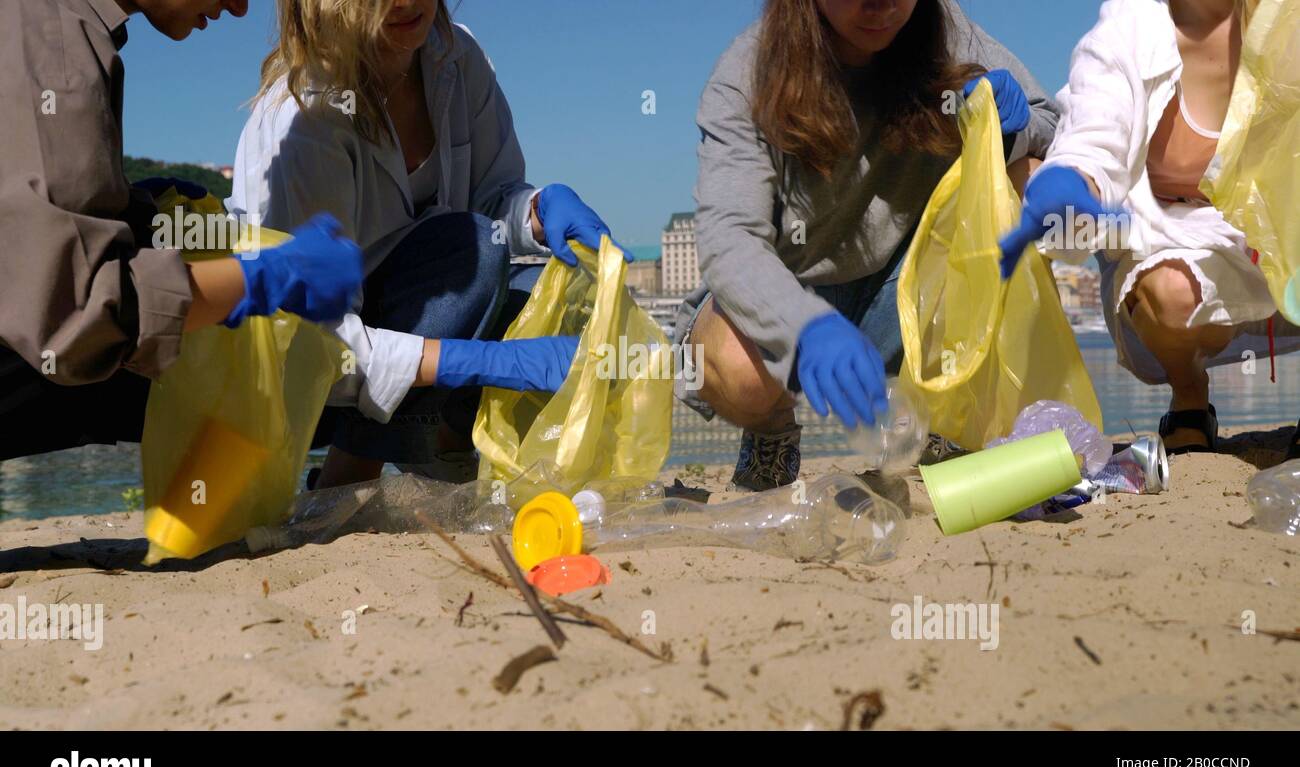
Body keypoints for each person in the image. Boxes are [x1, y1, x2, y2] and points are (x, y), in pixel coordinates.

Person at [229, 0, 629, 489]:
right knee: (472, 253)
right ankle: (348, 474)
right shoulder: (306, 115)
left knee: (554, 295)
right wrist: (475, 361)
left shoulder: (457, 59)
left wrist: (539, 212)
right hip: (309, 375)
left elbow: (492, 199)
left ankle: (449, 454)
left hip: (423, 302)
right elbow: (314, 341)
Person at [674, 0, 1060, 491]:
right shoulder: (748, 74)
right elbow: (728, 238)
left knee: (1029, 177)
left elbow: (1051, 123)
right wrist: (804, 327)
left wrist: (1010, 126)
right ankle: (771, 432)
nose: (881, 4)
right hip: (794, 300)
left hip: (905, 287)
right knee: (726, 364)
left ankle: (939, 418)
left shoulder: (945, 30)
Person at [0, 0, 364, 463]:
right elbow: (76, 314)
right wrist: (266, 277)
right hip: (50, 336)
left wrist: (133, 211)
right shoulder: (58, 47)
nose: (238, 8)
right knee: (288, 389)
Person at [1000, 0, 1299, 456]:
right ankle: (1190, 396)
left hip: (1282, 228)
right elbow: (1094, 131)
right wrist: (1069, 179)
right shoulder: (1130, 27)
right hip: (1178, 237)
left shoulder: (1286, 20)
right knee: (1170, 296)